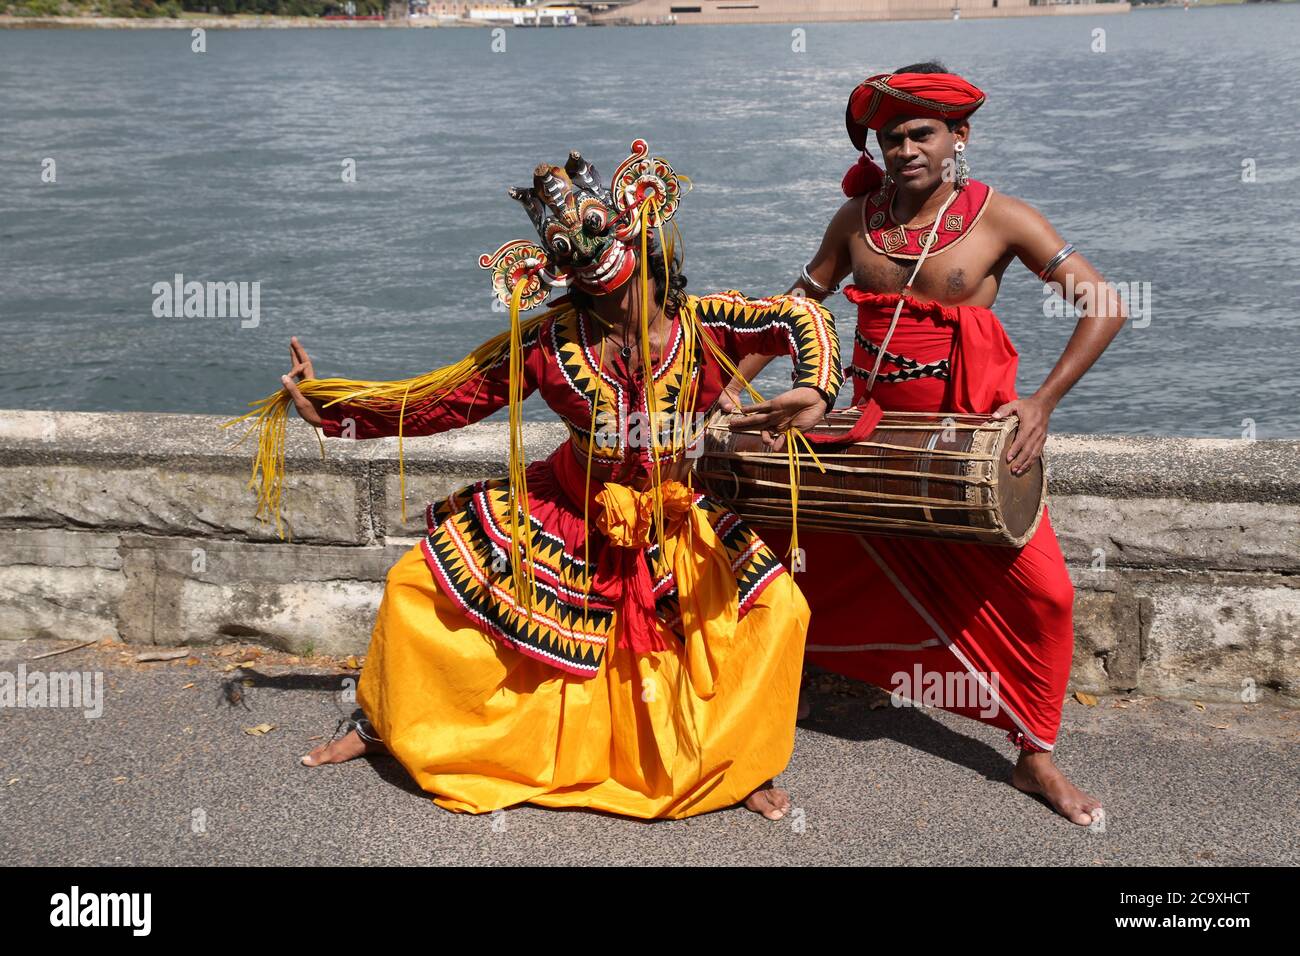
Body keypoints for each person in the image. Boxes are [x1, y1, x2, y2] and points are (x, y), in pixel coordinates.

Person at [232, 139, 843, 820]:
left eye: (597, 242)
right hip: (566, 511)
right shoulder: (547, 344)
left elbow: (804, 314)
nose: (594, 278)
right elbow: (441, 401)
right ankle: (385, 725)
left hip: (670, 520)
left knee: (777, 611)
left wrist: (816, 389)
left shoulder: (708, 326)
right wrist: (337, 409)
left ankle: (739, 763)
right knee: (415, 586)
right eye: (568, 257)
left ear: (644, 240)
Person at [725, 66, 1124, 826]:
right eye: (890, 138)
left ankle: (1034, 756)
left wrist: (1040, 402)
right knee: (769, 550)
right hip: (869, 437)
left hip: (967, 448)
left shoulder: (1002, 217)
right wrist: (725, 387)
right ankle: (758, 714)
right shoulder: (854, 219)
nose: (904, 149)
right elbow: (790, 310)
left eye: (920, 134)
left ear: (958, 137)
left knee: (1048, 593)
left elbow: (1103, 303)